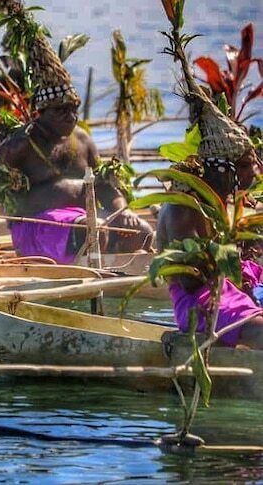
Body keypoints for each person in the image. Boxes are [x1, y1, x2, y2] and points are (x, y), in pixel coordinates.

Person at [0, 0, 153, 262]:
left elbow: (105, 186)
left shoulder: (83, 141)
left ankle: (112, 272)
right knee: (93, 228)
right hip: (38, 228)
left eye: (74, 109)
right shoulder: (21, 143)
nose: (71, 116)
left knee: (141, 231)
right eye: (61, 110)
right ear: (40, 112)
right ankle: (92, 265)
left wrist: (122, 210)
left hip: (85, 223)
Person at [156, 31, 263, 349]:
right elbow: (191, 279)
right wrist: (231, 254)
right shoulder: (184, 208)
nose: (255, 171)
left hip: (229, 294)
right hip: (202, 304)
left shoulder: (219, 201)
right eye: (246, 164)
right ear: (223, 167)